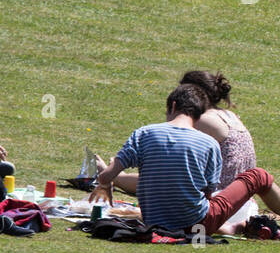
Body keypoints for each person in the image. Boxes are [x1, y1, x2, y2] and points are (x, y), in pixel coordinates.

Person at [89, 84, 280, 240]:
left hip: (153, 220)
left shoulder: (143, 133)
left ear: (172, 106)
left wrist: (105, 186)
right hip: (196, 226)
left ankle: (237, 228)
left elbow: (107, 175)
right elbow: (208, 196)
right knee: (257, 176)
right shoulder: (207, 144)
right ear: (199, 116)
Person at [97, 70, 260, 234]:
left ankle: (116, 176)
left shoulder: (147, 133)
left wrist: (109, 178)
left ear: (174, 105)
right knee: (260, 177)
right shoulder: (228, 117)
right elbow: (206, 192)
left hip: (164, 216)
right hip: (237, 207)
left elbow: (168, 175)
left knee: (165, 178)